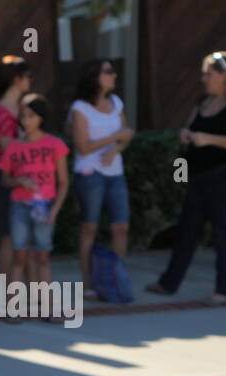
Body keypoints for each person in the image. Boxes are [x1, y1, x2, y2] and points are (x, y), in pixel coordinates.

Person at [146, 51, 226, 306]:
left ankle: (224, 289)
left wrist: (209, 139)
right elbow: (191, 126)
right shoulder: (202, 102)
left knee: (223, 235)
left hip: (223, 179)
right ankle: (168, 283)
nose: (204, 78)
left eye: (209, 73)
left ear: (224, 75)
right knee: (186, 231)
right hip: (197, 176)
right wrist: (186, 134)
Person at [0, 94, 70, 316]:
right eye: (23, 116)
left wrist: (55, 210)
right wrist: (19, 180)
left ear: (41, 118)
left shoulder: (55, 144)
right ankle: (13, 307)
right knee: (19, 255)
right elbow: (4, 179)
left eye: (31, 116)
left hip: (45, 205)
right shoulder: (13, 147)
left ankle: (49, 308)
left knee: (42, 256)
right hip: (20, 205)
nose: (26, 121)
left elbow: (63, 182)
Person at [68, 58, 133, 297]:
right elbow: (83, 147)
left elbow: (127, 135)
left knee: (121, 227)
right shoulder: (79, 108)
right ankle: (88, 284)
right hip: (89, 174)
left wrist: (116, 148)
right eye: (109, 71)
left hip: (115, 173)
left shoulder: (116, 102)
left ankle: (118, 280)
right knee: (89, 228)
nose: (114, 75)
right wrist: (113, 139)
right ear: (95, 76)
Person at [0, 56, 33, 281]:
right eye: (27, 75)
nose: (30, 80)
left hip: (29, 179)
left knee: (29, 240)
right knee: (9, 239)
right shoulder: (0, 112)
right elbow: (7, 149)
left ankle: (33, 295)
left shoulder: (24, 108)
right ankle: (9, 299)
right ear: (16, 78)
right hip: (7, 179)